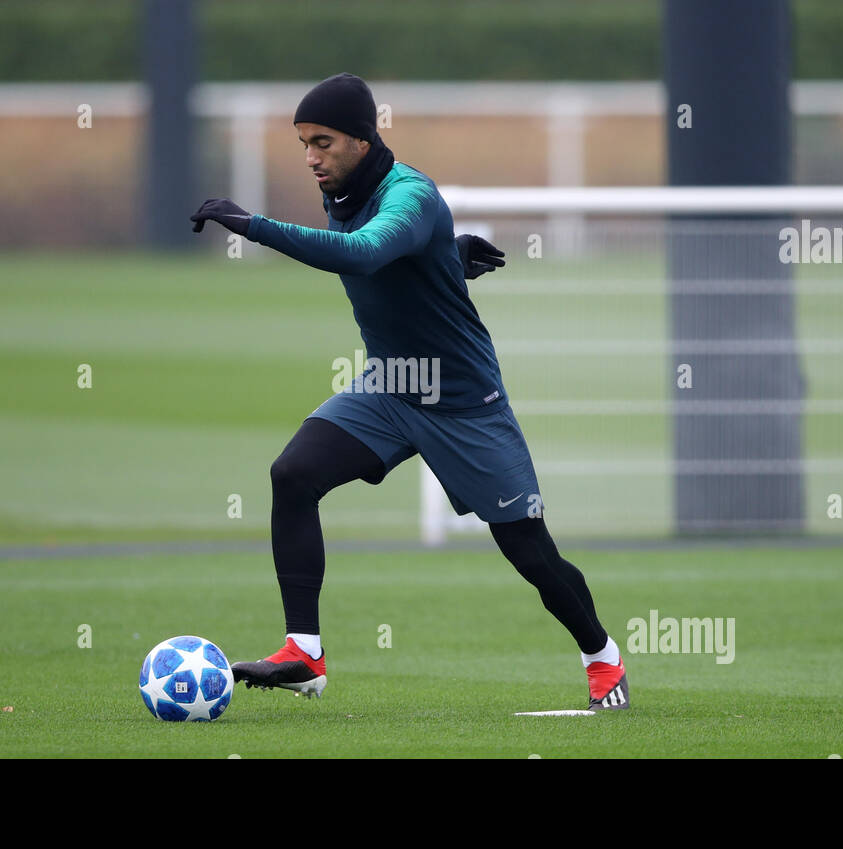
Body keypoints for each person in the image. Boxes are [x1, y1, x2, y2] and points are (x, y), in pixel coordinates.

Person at [190, 72, 628, 711]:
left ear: (363, 140)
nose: (311, 157)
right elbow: (389, 251)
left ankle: (602, 657)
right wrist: (446, 255)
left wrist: (250, 225)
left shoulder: (410, 193)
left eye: (324, 142)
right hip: (392, 387)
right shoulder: (343, 189)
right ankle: (303, 653)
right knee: (293, 474)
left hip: (462, 403)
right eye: (303, 143)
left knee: (530, 552)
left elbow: (365, 253)